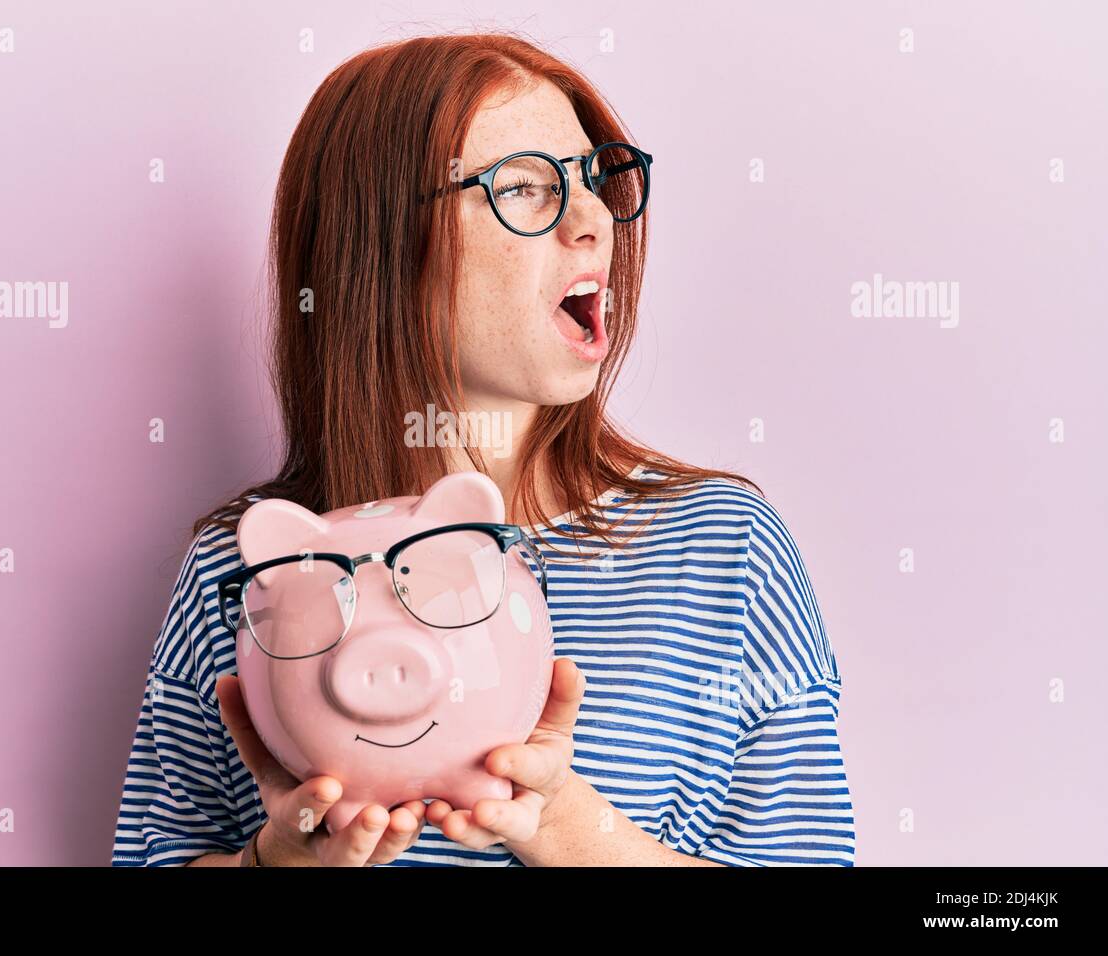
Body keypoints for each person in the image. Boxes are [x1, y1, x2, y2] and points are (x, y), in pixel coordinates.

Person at [111, 31, 854, 867]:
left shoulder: (723, 545)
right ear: (380, 247)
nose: (592, 222)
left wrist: (561, 822)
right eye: (526, 188)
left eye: (593, 181)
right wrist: (273, 864)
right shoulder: (248, 564)